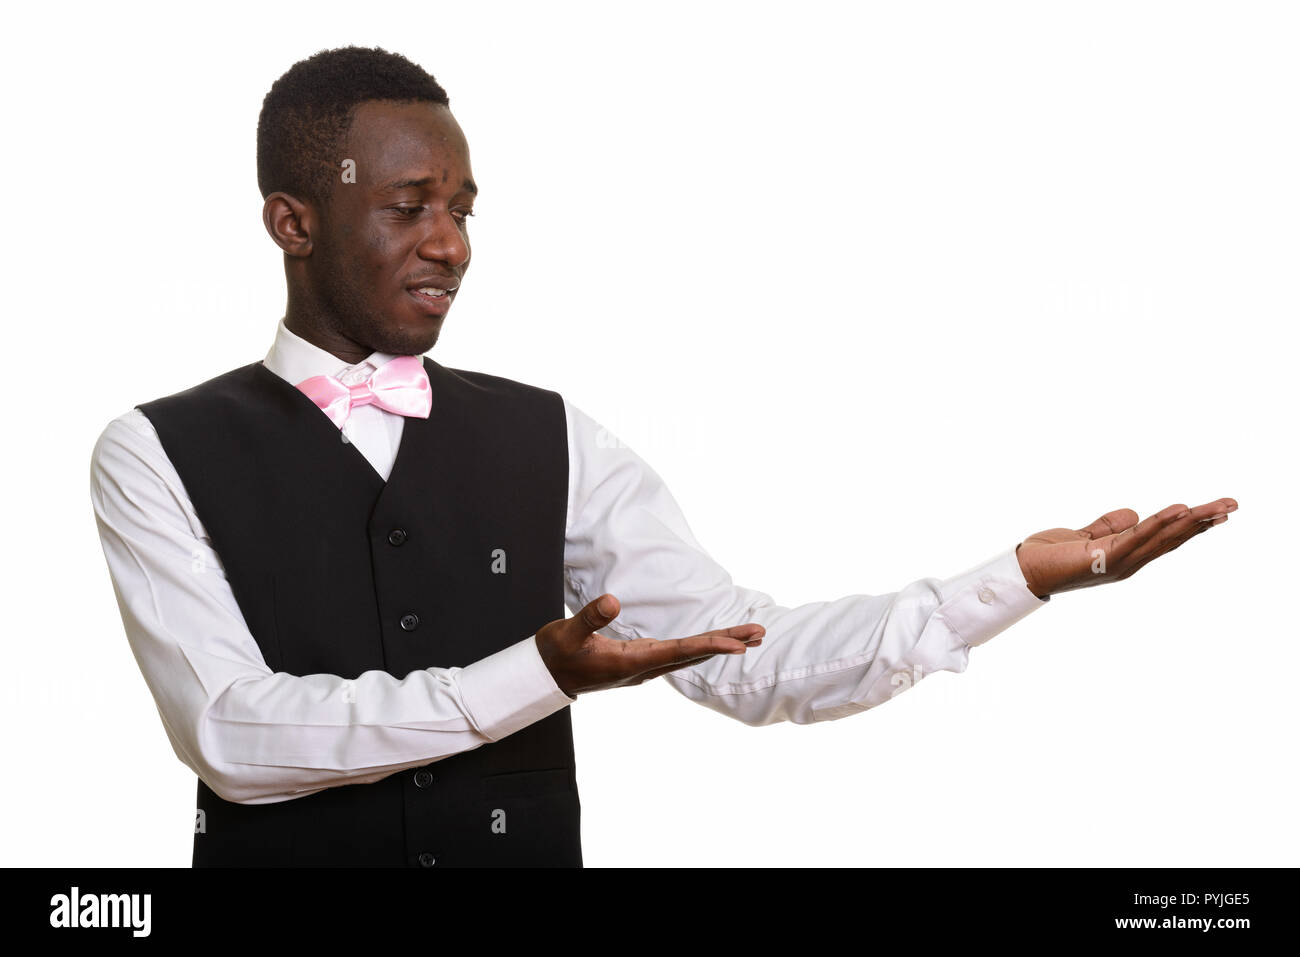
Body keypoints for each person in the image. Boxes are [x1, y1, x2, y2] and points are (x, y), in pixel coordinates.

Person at [89, 45, 1236, 867]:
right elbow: (230, 735)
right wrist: (534, 677)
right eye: (407, 205)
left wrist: (1012, 582)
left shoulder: (552, 435)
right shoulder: (153, 451)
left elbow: (740, 653)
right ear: (294, 223)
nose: (450, 244)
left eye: (464, 207)